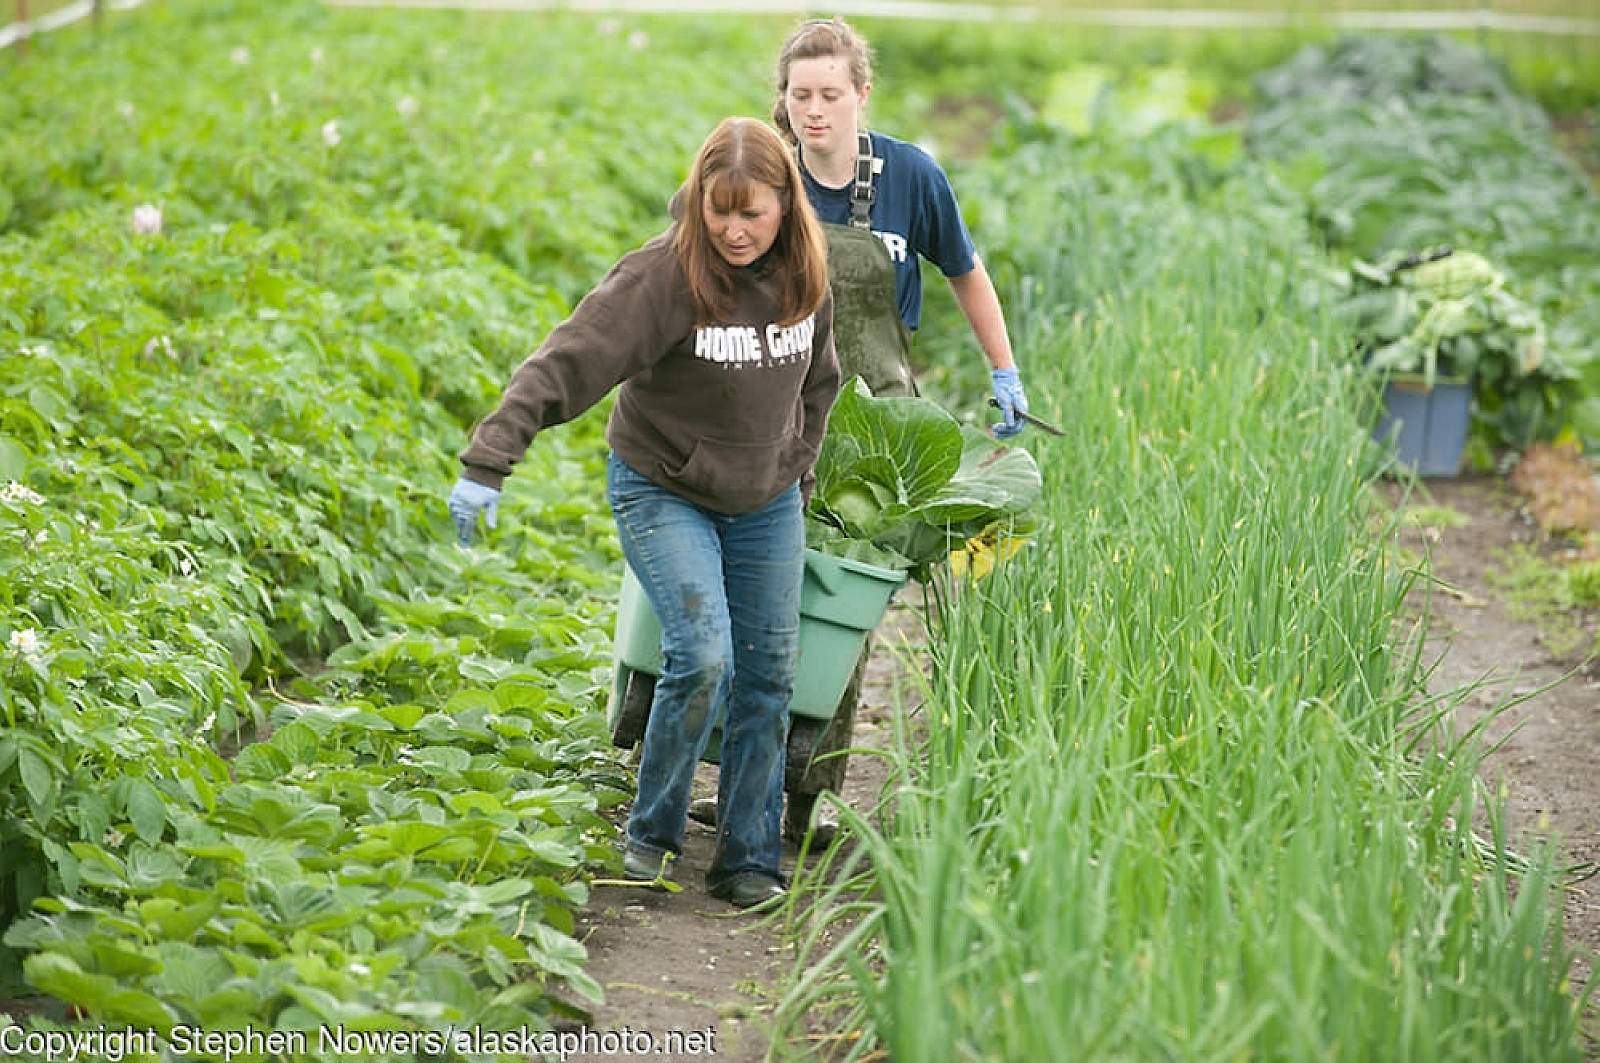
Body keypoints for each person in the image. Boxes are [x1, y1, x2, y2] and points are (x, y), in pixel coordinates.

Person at [447, 117, 839, 910]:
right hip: (664, 486)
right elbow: (570, 359)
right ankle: (651, 837)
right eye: (718, 209)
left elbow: (820, 383)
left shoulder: (805, 275)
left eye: (751, 212)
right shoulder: (665, 275)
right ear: (698, 202)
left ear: (784, 207)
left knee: (769, 676)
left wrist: (795, 467)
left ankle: (746, 857)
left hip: (765, 498)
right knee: (702, 656)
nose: (733, 229)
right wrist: (491, 457)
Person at [689, 17, 1032, 845]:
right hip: (773, 406)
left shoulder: (912, 177)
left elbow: (964, 271)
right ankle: (743, 792)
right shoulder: (762, 175)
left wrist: (1004, 369)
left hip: (874, 429)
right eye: (800, 95)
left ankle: (805, 804)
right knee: (758, 604)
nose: (814, 111)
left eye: (830, 95)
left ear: (861, 94)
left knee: (837, 614)